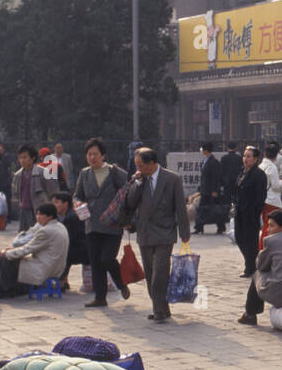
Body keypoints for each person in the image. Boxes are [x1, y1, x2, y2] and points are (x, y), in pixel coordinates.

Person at [129, 148, 191, 323]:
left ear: (151, 163)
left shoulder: (172, 179)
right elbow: (130, 202)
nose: (139, 169)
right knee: (149, 273)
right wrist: (137, 184)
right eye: (136, 166)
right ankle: (162, 307)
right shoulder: (140, 179)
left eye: (141, 166)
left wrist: (185, 232)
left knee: (160, 272)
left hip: (165, 232)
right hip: (145, 232)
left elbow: (180, 207)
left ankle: (158, 310)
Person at [72, 138, 129, 308]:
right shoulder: (84, 173)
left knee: (107, 258)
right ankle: (100, 297)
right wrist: (78, 203)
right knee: (95, 261)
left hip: (112, 223)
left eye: (95, 154)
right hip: (91, 222)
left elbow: (127, 192)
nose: (92, 157)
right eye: (89, 154)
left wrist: (127, 217)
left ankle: (121, 283)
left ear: (103, 155)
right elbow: (77, 195)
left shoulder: (115, 172)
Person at [0, 203, 69, 299]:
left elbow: (27, 249)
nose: (38, 217)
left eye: (41, 215)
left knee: (8, 259)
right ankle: (9, 286)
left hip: (44, 268)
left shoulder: (46, 231)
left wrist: (6, 253)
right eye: (37, 214)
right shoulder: (60, 226)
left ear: (50, 216)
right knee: (11, 256)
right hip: (56, 267)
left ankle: (6, 290)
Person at [233, 146, 269, 277]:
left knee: (250, 241)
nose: (245, 159)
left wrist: (255, 211)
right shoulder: (242, 172)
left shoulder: (259, 174)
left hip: (250, 213)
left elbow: (261, 196)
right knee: (239, 237)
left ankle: (250, 268)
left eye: (248, 156)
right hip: (239, 211)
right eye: (244, 156)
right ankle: (251, 263)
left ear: (255, 159)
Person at [50, 192, 87, 292]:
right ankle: (63, 280)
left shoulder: (71, 218)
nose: (54, 205)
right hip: (79, 246)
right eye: (53, 202)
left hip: (82, 249)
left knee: (62, 253)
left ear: (65, 204)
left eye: (56, 202)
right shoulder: (67, 215)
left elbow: (69, 239)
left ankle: (61, 281)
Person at [10, 145, 51, 233]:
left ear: (33, 158)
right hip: (24, 210)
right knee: (23, 236)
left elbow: (53, 192)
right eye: (20, 158)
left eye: (25, 157)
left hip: (39, 210)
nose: (22, 160)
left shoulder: (44, 172)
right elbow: (15, 194)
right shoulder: (17, 175)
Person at [194, 141, 227, 235]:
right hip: (204, 190)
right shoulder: (205, 160)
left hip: (211, 190)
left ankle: (221, 227)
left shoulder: (214, 162)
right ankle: (199, 227)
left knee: (216, 209)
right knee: (202, 209)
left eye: (202, 149)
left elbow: (216, 177)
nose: (201, 150)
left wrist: (215, 190)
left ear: (206, 150)